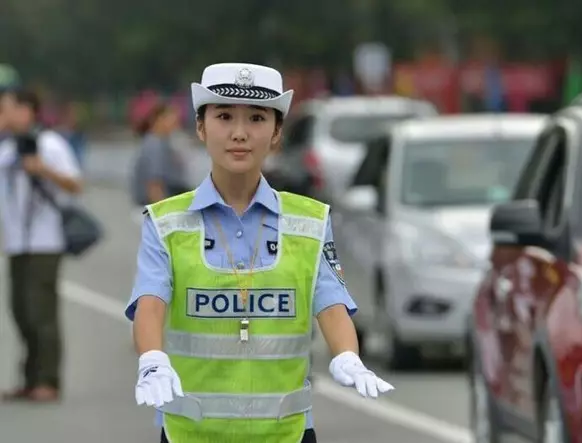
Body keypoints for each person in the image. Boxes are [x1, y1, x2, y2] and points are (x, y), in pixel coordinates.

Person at [126, 63, 394, 443]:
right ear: (201, 128)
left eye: (256, 118)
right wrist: (152, 360)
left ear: (276, 133)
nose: (239, 133)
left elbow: (331, 304)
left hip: (286, 434)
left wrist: (346, 354)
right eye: (223, 116)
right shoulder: (166, 222)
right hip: (192, 435)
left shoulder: (310, 221)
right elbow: (150, 302)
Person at [0, 88, 83, 402]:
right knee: (19, 312)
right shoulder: (8, 149)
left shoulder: (49, 144)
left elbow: (76, 184)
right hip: (17, 244)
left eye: (6, 108)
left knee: (41, 314)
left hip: (44, 243)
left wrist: (43, 169)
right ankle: (29, 378)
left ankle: (49, 380)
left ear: (26, 110)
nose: (3, 114)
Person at [130, 100, 191, 208]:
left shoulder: (162, 142)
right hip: (152, 209)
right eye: (172, 120)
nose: (176, 124)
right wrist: (165, 215)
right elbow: (154, 185)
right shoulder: (154, 145)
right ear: (158, 120)